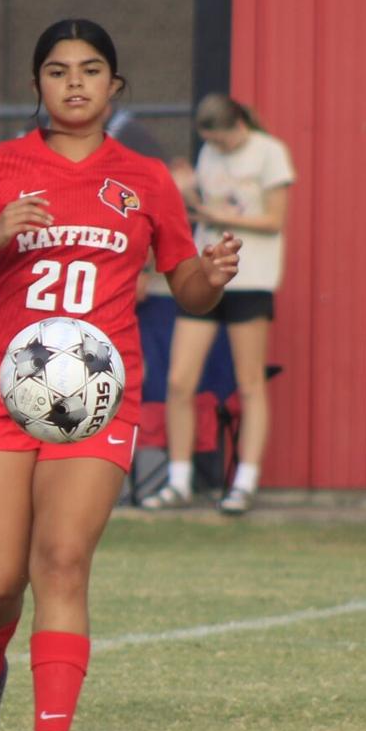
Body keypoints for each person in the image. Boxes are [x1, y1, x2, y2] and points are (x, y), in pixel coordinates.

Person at [0, 18, 239, 731]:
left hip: (99, 396)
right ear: (37, 87)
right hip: (0, 392)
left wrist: (211, 276)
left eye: (92, 70)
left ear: (115, 86)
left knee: (61, 560)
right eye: (57, 71)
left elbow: (184, 282)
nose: (76, 83)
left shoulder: (147, 177)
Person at [140, 94, 294, 515]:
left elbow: (273, 220)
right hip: (207, 276)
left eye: (224, 141)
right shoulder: (207, 152)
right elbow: (202, 213)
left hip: (253, 278)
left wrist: (211, 211)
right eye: (212, 142)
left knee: (249, 382)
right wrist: (188, 191)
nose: (219, 149)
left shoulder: (270, 152)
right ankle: (178, 480)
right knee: (178, 380)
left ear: (239, 124)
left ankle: (244, 482)